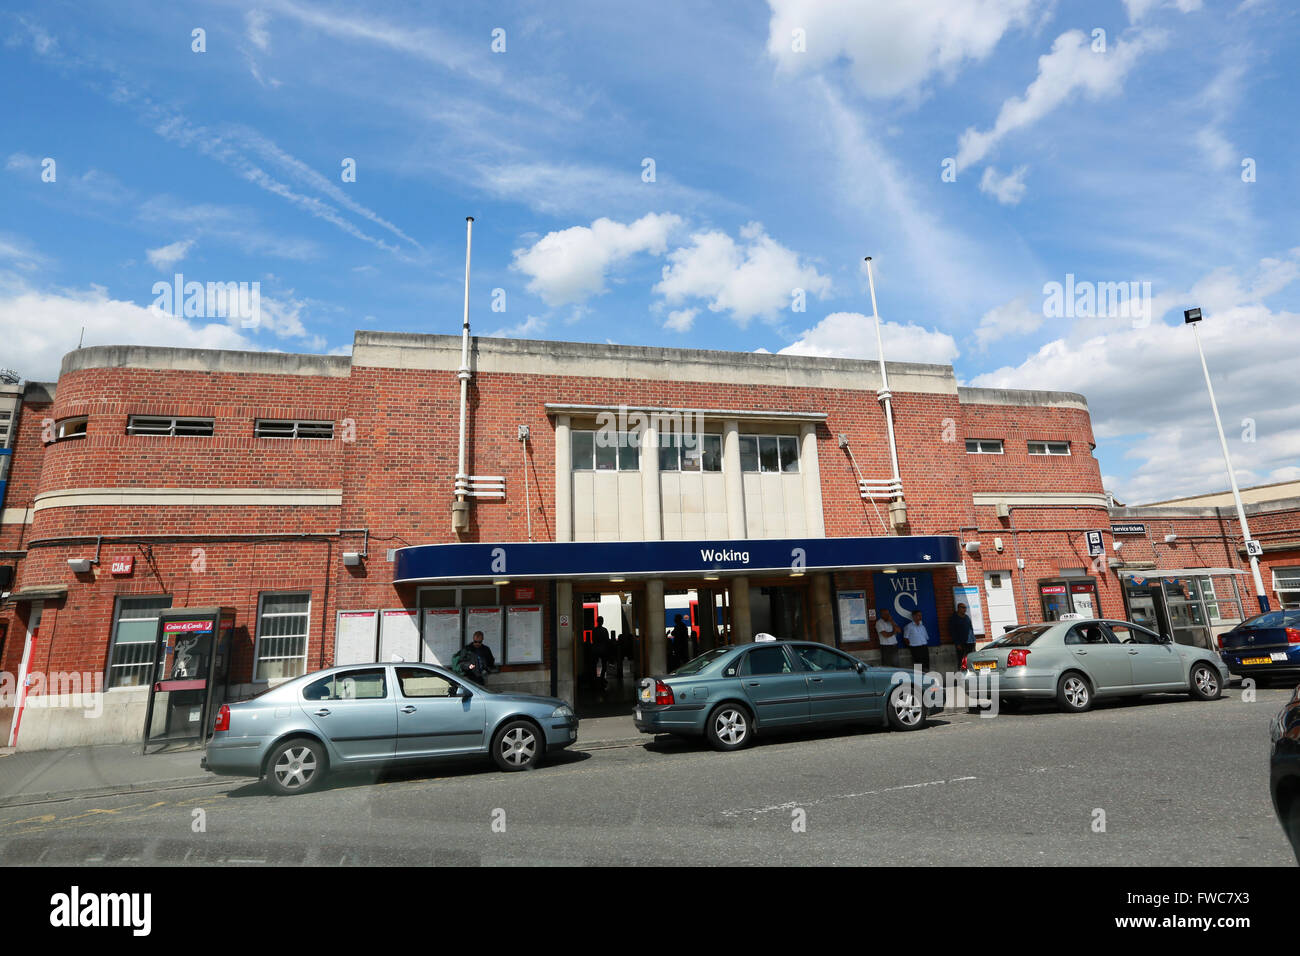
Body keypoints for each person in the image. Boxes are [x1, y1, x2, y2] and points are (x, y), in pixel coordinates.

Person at [949, 603, 976, 669]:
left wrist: (973, 640)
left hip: (970, 643)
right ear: (958, 608)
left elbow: (971, 629)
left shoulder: (967, 617)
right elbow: (953, 632)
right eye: (963, 607)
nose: (965, 609)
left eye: (965, 607)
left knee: (970, 659)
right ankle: (961, 675)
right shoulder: (954, 618)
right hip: (961, 643)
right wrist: (957, 643)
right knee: (961, 660)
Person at [593, 616, 610, 689]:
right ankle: (602, 678)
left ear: (597, 621)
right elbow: (607, 640)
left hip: (596, 650)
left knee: (595, 665)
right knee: (604, 665)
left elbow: (593, 640)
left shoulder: (594, 630)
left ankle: (595, 678)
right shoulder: (605, 630)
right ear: (602, 622)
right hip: (603, 650)